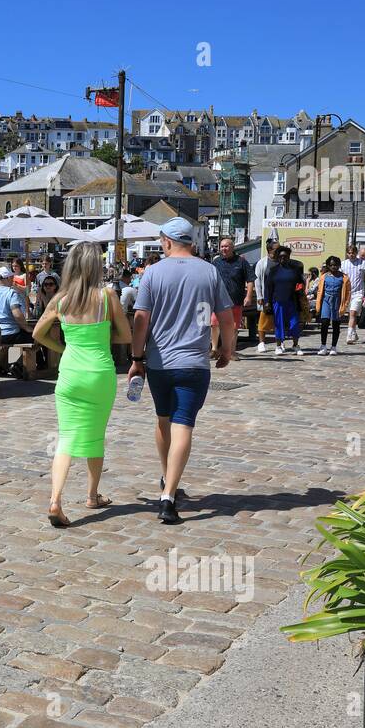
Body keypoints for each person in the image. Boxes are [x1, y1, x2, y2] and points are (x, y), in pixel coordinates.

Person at [129, 217, 235, 525]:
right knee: (183, 426)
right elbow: (226, 319)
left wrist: (137, 358)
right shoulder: (209, 271)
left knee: (164, 420)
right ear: (189, 241)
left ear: (166, 241)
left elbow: (140, 320)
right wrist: (227, 350)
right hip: (193, 363)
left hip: (160, 363)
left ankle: (167, 481)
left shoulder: (153, 272)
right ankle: (169, 495)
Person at [33, 244, 130, 528]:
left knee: (66, 438)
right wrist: (100, 337)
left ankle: (55, 499)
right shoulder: (106, 296)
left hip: (70, 372)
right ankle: (91, 495)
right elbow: (124, 335)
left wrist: (62, 347)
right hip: (99, 372)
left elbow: (39, 333)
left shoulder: (61, 300)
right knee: (95, 435)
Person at [210, 237, 251, 357]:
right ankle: (214, 349)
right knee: (214, 324)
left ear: (232, 248)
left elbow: (250, 280)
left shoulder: (241, 262)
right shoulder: (216, 262)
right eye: (222, 246)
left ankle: (230, 351)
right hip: (218, 300)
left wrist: (248, 296)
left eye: (226, 246)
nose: (224, 249)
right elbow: (210, 279)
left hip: (236, 299)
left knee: (233, 327)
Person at [265, 245, 305, 356]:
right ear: (278, 257)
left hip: (293, 300)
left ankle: (295, 345)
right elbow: (268, 287)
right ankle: (278, 345)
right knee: (279, 324)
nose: (283, 258)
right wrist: (267, 301)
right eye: (281, 256)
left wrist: (300, 289)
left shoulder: (295, 270)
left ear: (289, 257)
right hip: (278, 301)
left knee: (294, 324)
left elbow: (301, 283)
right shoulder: (273, 271)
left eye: (285, 256)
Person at [314, 256, 350, 355]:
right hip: (326, 300)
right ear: (328, 266)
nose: (333, 267)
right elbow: (320, 291)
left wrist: (345, 304)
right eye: (331, 265)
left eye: (335, 265)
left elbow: (347, 292)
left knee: (336, 324)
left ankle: (334, 346)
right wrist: (318, 304)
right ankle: (323, 345)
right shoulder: (324, 277)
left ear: (339, 265)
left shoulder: (344, 277)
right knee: (325, 323)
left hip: (337, 302)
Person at [340, 245, 365, 344]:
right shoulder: (343, 264)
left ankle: (349, 335)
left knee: (353, 313)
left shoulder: (363, 264)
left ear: (356, 253)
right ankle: (354, 332)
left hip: (358, 292)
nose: (351, 255)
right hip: (347, 292)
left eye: (353, 253)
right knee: (350, 313)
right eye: (349, 253)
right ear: (347, 253)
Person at [253, 238, 279, 353]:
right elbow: (257, 280)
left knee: (279, 320)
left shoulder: (282, 261)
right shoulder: (262, 263)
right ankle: (261, 342)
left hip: (279, 296)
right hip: (266, 296)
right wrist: (259, 296)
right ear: (269, 250)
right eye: (276, 249)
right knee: (263, 319)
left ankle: (280, 342)